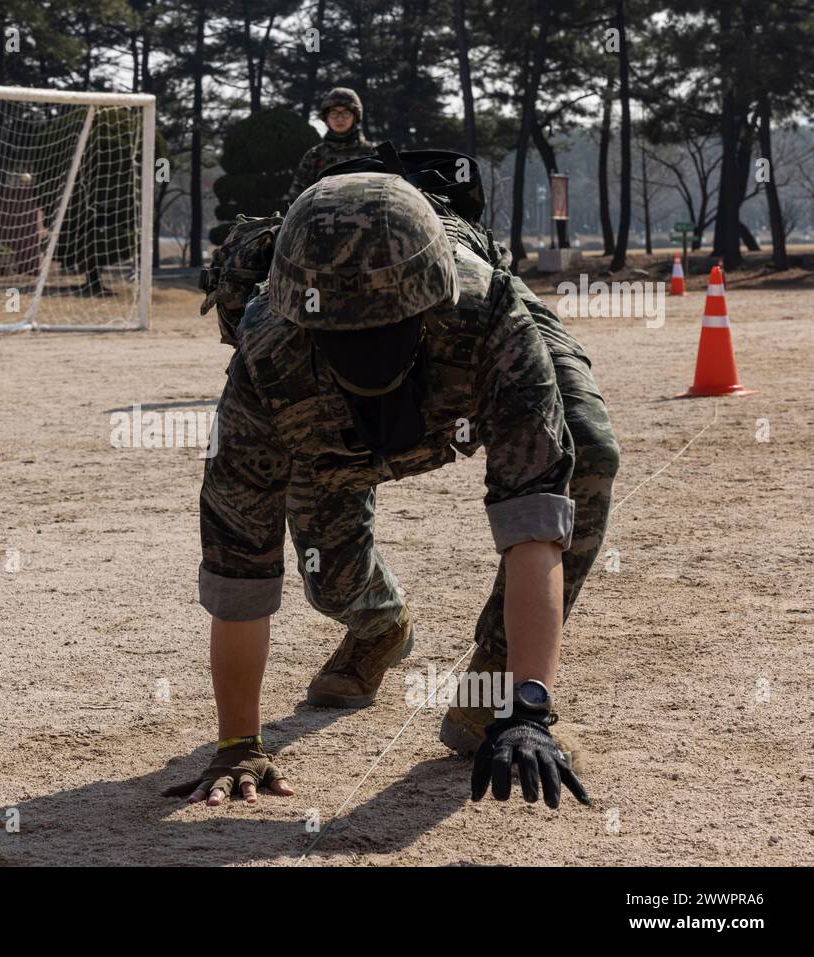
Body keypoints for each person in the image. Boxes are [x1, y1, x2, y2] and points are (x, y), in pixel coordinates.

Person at [169, 171, 619, 810]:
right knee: (331, 576)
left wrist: (525, 706)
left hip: (462, 364)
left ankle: (485, 695)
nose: (367, 345)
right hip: (328, 423)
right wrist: (238, 743)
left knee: (588, 453)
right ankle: (378, 623)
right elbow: (240, 563)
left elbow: (534, 513)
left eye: (383, 327)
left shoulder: (488, 315)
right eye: (347, 334)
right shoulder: (269, 363)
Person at [285, 88, 375, 204]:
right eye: (334, 113)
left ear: (355, 117)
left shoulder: (372, 153)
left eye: (346, 113)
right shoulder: (314, 156)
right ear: (326, 118)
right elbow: (295, 201)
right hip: (319, 220)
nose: (340, 118)